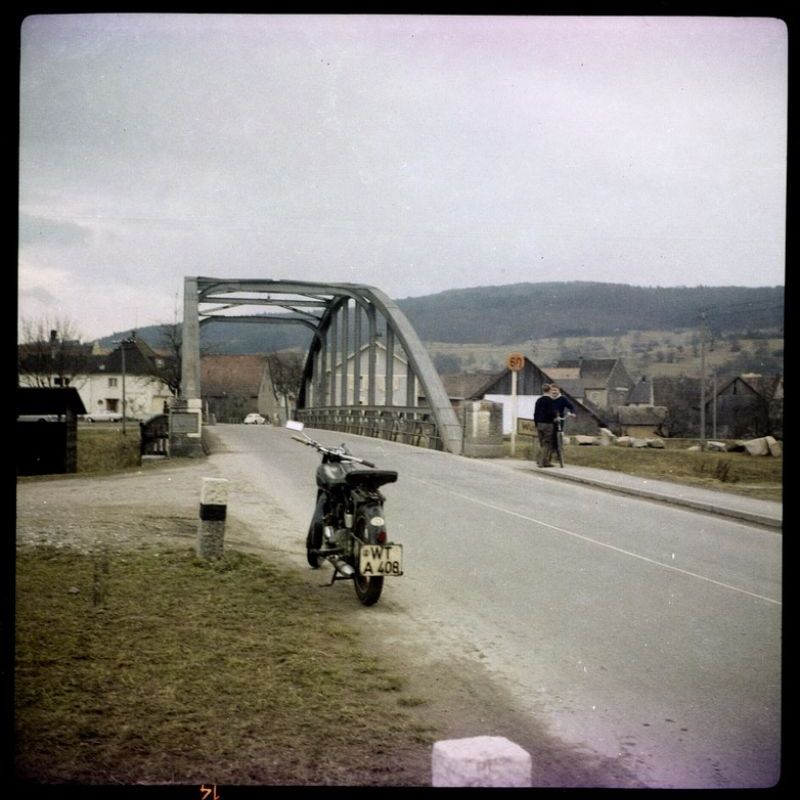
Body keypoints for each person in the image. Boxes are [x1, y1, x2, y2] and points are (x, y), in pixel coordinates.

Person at [533, 383, 557, 467]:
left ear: (543, 390)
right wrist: (555, 417)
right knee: (547, 443)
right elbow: (552, 413)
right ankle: (541, 462)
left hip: (539, 423)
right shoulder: (551, 401)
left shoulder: (539, 400)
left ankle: (544, 461)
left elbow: (535, 413)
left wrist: (536, 423)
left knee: (542, 443)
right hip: (548, 424)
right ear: (549, 390)